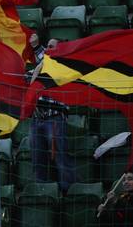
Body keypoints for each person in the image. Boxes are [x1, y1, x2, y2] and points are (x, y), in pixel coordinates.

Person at [28, 35, 77, 193]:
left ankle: (68, 192)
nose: (48, 49)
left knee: (61, 158)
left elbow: (50, 61)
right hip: (37, 119)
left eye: (51, 46)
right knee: (38, 159)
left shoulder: (64, 66)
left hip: (54, 118)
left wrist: (36, 47)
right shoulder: (40, 66)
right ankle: (42, 193)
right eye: (47, 46)